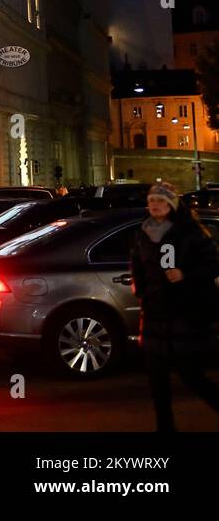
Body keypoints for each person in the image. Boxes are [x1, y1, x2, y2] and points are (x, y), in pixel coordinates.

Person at [130, 181, 219, 431]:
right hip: (154, 318)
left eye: (160, 201)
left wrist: (185, 274)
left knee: (193, 377)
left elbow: (212, 263)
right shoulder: (142, 233)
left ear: (171, 204)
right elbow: (137, 266)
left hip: (185, 317)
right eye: (151, 201)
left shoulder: (190, 232)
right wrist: (142, 290)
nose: (155, 205)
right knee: (158, 385)